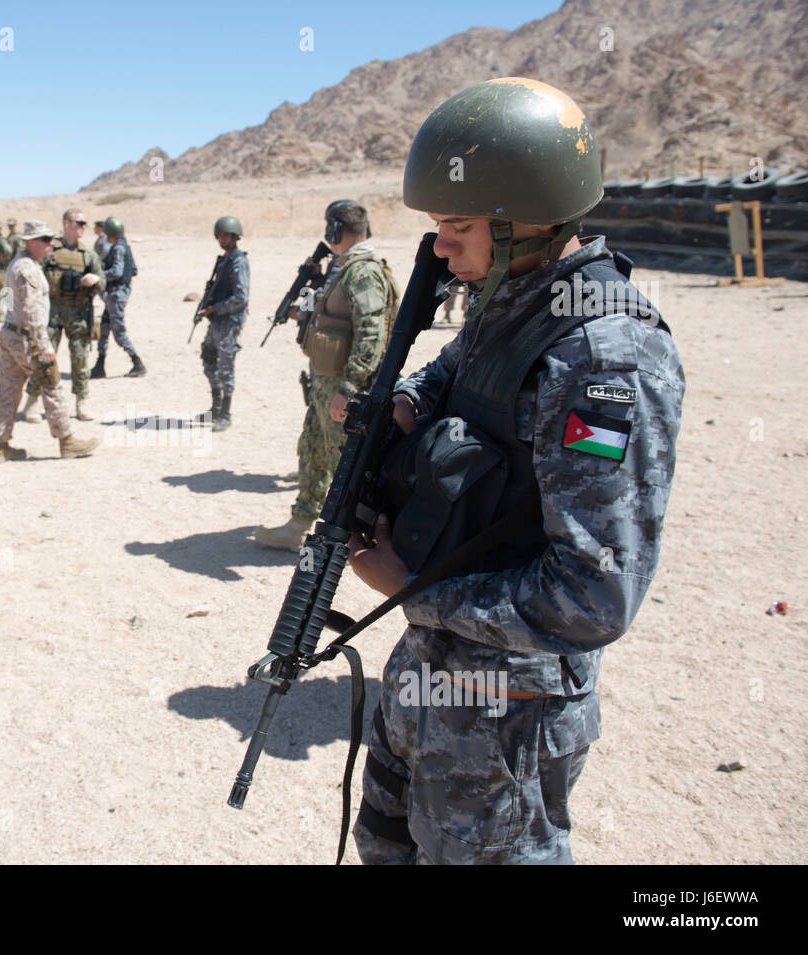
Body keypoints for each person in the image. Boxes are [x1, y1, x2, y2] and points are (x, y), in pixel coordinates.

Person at [344, 78, 685, 864]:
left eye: (455, 226)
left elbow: (593, 595)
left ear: (526, 215)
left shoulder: (605, 357)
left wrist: (414, 590)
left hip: (510, 712)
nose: (438, 247)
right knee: (388, 842)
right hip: (433, 672)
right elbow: (452, 369)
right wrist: (399, 403)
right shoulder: (516, 298)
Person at [253, 201, 397, 549]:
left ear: (334, 230)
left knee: (344, 464)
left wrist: (348, 388)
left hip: (342, 387)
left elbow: (371, 334)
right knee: (313, 451)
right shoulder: (344, 268)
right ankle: (300, 524)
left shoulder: (363, 272)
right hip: (325, 382)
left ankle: (363, 543)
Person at [0, 221, 101, 462]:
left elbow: (9, 300)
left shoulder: (15, 265)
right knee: (52, 386)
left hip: (10, 333)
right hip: (27, 338)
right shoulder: (28, 269)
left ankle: (0, 445)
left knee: (7, 391)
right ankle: (67, 441)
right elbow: (32, 310)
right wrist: (43, 344)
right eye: (44, 240)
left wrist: (11, 321)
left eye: (51, 239)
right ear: (30, 242)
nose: (50, 244)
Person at [22, 208, 106, 422]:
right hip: (52, 311)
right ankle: (32, 400)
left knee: (80, 359)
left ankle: (82, 401)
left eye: (85, 223)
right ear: (66, 223)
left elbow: (103, 282)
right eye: (79, 223)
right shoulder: (50, 250)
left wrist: (95, 281)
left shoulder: (88, 255)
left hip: (78, 313)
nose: (83, 227)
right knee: (43, 357)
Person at [196, 216, 249, 432]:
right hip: (217, 320)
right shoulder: (223, 260)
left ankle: (225, 414)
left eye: (226, 235)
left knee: (226, 367)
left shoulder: (238, 262)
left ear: (235, 237)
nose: (222, 238)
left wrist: (215, 309)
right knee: (208, 357)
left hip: (230, 321)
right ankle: (216, 407)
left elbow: (240, 297)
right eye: (220, 235)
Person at [92, 216, 146, 379]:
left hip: (116, 294)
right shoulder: (124, 247)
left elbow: (116, 272)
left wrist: (99, 275)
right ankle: (99, 365)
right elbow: (133, 270)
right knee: (104, 329)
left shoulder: (118, 249)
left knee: (118, 332)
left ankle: (137, 363)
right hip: (116, 294)